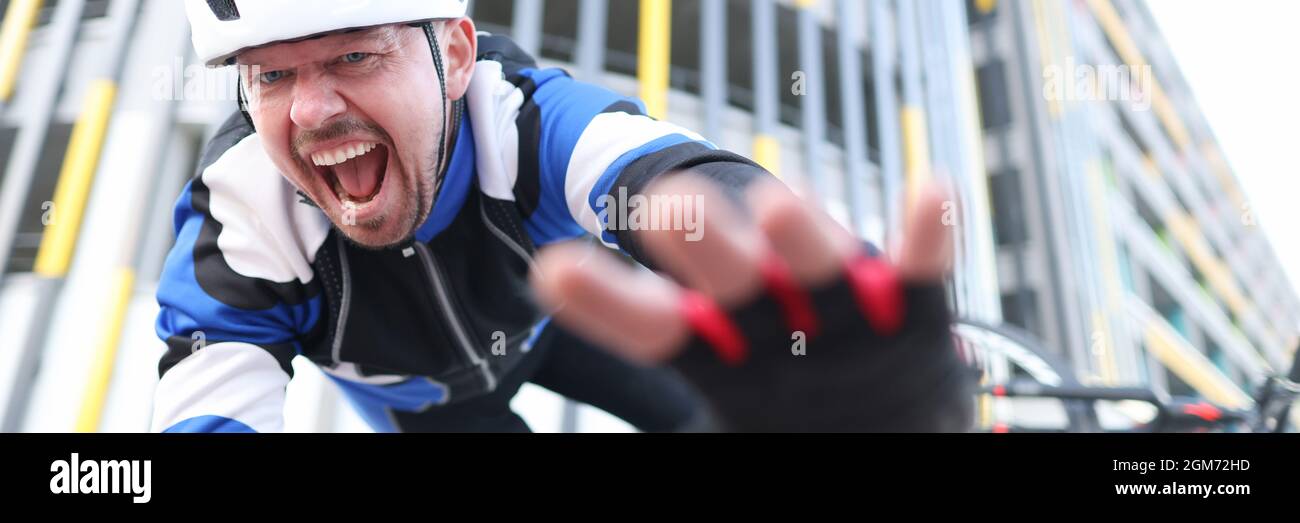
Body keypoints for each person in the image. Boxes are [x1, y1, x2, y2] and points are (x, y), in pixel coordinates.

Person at [153, 0, 974, 433]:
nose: (312, 111)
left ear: (458, 57)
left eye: (354, 55)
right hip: (430, 413)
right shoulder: (243, 222)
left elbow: (664, 175)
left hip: (560, 323)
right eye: (270, 77)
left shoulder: (521, 121)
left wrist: (832, 305)